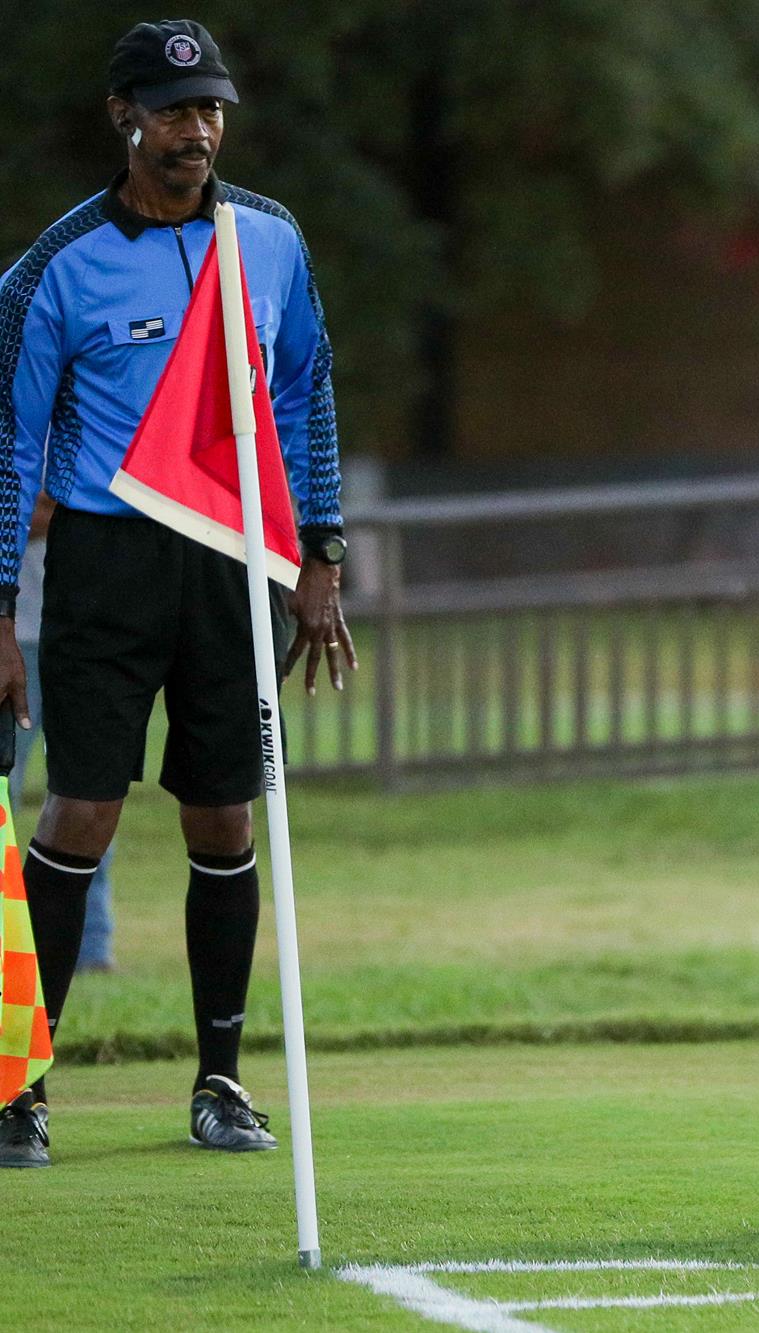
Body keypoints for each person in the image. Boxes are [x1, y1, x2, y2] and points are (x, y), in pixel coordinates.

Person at [0, 20, 355, 1169]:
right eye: (173, 108)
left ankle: (220, 1081)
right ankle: (21, 1089)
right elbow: (9, 447)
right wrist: (0, 610)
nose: (197, 129)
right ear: (125, 116)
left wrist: (322, 557)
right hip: (104, 563)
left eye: (210, 109)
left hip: (232, 559)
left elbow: (304, 393)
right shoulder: (55, 267)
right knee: (80, 814)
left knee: (225, 817)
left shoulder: (270, 241)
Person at [8, 498, 118, 973]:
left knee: (91, 791)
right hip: (13, 637)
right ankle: (10, 940)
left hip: (84, 630)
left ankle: (92, 947)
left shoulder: (88, 424)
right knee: (4, 795)